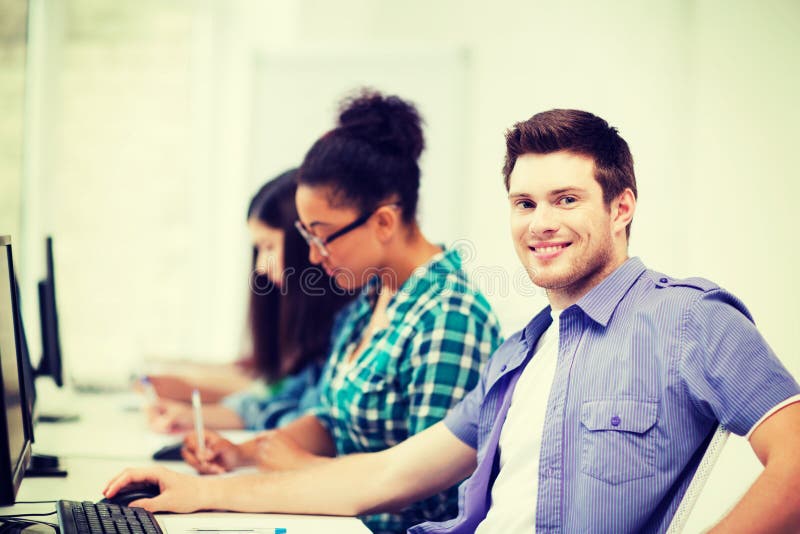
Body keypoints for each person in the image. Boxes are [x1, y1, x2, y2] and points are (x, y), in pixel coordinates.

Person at [105, 109, 800, 533]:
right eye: (524, 203)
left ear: (621, 207)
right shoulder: (523, 352)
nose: (541, 223)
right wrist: (199, 493)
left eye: (566, 199)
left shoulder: (686, 318)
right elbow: (378, 478)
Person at [148, 90, 502, 532]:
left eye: (323, 235)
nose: (314, 256)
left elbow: (432, 501)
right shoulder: (369, 300)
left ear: (384, 222)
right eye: (307, 236)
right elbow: (333, 419)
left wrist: (299, 469)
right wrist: (249, 451)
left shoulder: (450, 318)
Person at [147, 169, 352, 432]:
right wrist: (191, 416)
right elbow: (280, 399)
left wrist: (195, 403)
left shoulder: (347, 321)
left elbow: (305, 420)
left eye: (268, 246)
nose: (261, 267)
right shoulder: (315, 330)